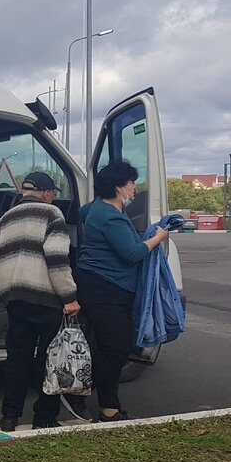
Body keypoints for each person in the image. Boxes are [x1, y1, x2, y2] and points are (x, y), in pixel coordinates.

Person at [0, 171, 81, 432]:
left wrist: (9, 271)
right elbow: (58, 258)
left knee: (17, 357)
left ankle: (10, 417)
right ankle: (43, 417)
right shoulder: (52, 214)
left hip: (16, 298)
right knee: (49, 359)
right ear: (47, 194)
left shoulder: (7, 217)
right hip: (47, 300)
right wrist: (69, 297)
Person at [77, 159, 170, 422]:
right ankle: (76, 392)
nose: (134, 189)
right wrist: (157, 238)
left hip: (105, 287)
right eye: (131, 184)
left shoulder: (96, 208)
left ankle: (109, 408)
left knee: (109, 347)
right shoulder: (109, 216)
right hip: (104, 289)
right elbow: (132, 253)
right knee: (117, 348)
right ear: (119, 187)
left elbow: (83, 213)